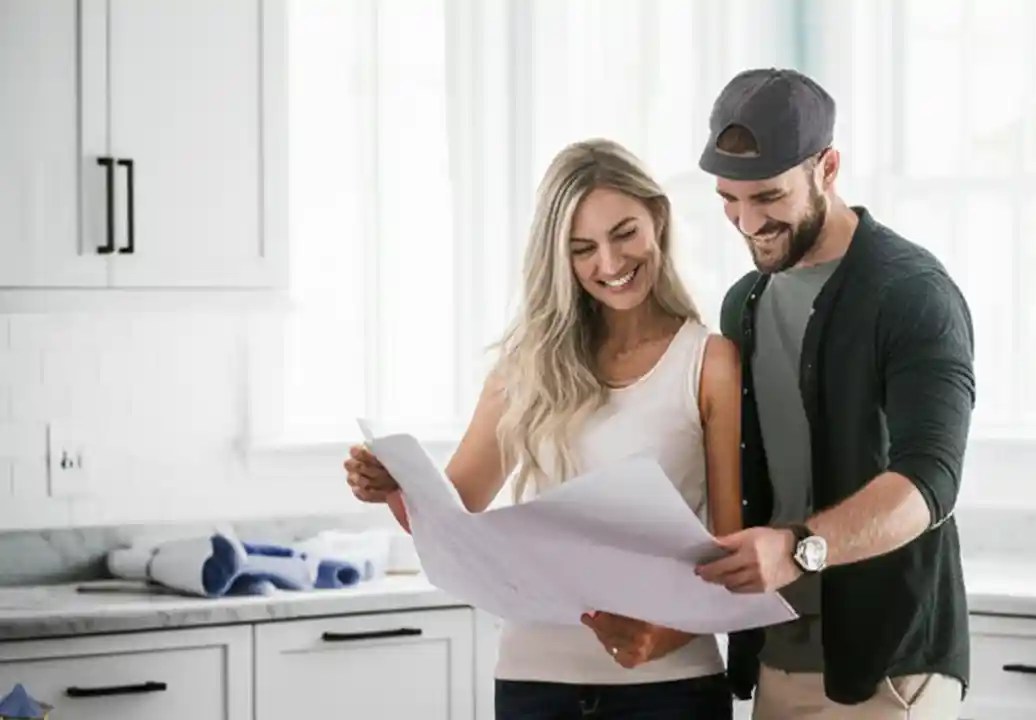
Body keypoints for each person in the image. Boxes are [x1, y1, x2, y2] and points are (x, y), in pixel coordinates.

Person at [344, 138, 744, 719]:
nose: (610, 263)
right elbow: (452, 521)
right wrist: (391, 486)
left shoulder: (709, 362)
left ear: (657, 216)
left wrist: (664, 636)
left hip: (670, 687)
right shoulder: (524, 367)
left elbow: (728, 553)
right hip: (536, 683)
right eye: (583, 248)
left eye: (624, 232)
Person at [692, 68, 976, 719]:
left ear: (827, 167)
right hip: (777, 658)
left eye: (768, 195)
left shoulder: (912, 293)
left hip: (891, 670)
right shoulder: (745, 302)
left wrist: (798, 549)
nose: (748, 221)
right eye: (729, 199)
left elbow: (930, 480)